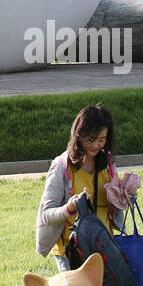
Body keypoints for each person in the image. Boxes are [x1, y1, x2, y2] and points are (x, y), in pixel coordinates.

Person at [35, 102, 125, 270]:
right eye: (91, 139)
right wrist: (69, 208)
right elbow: (46, 214)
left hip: (104, 250)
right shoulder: (62, 167)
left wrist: (124, 196)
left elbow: (115, 211)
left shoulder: (108, 165)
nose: (97, 145)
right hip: (71, 252)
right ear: (79, 135)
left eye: (102, 140)